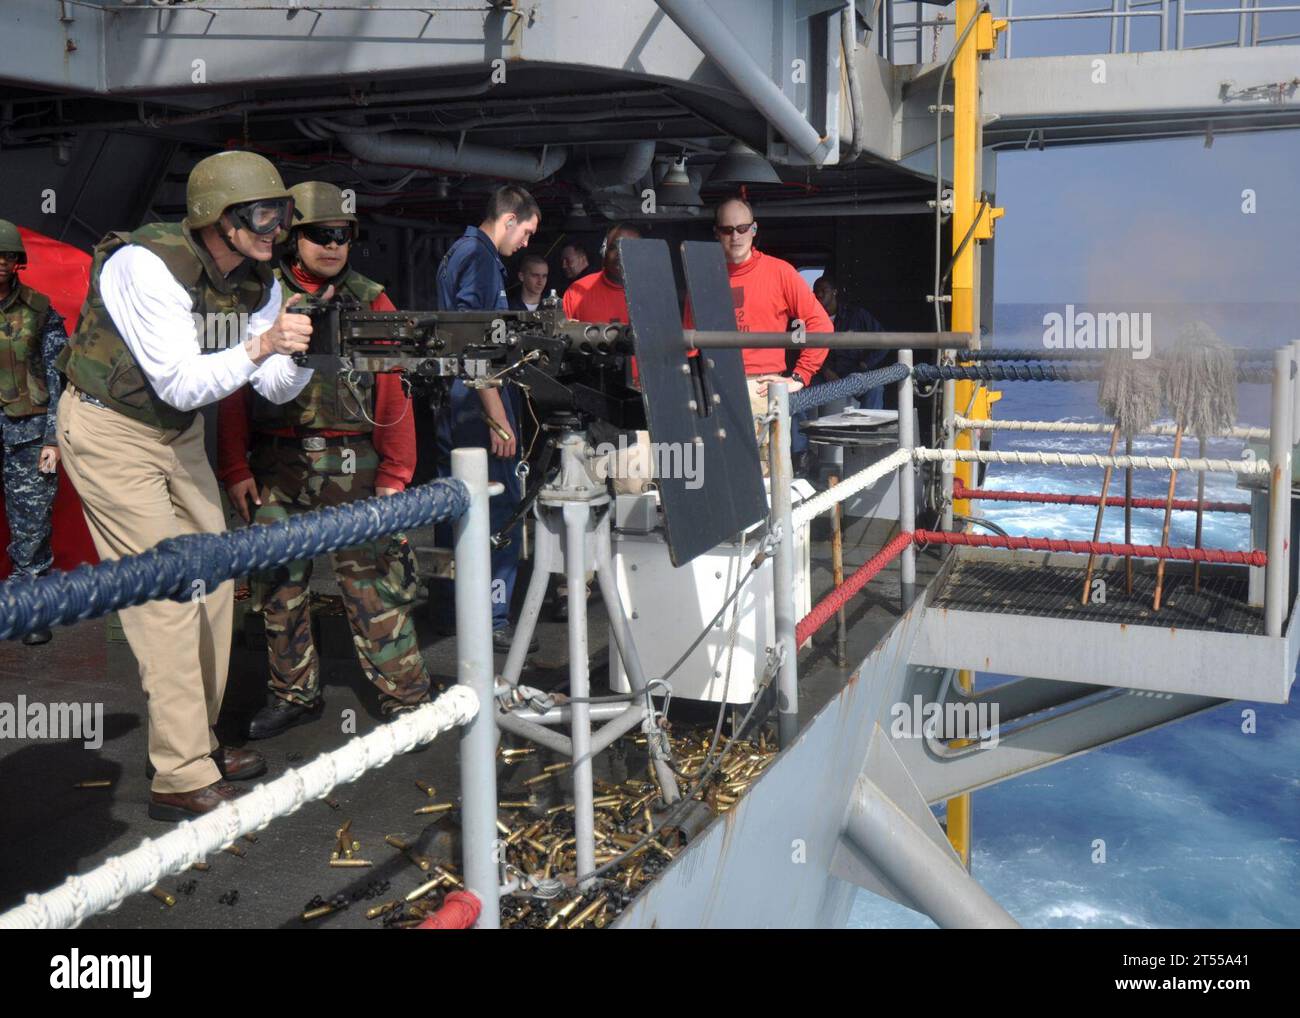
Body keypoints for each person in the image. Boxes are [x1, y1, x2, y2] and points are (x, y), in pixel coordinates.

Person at [56, 150, 316, 821]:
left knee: (217, 583)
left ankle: (195, 740)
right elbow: (181, 380)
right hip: (112, 431)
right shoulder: (149, 266)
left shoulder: (256, 282)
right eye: (262, 215)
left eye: (282, 215)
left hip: (176, 434)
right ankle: (179, 775)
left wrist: (308, 350)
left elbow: (273, 386)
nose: (275, 229)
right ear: (216, 219)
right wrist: (263, 346)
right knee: (168, 596)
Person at [216, 181, 432, 740]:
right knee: (279, 589)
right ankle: (293, 693)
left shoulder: (371, 299)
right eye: (320, 235)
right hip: (276, 467)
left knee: (374, 589)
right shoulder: (262, 296)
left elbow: (395, 388)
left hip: (355, 465)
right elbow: (236, 389)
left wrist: (396, 475)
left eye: (343, 236)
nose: (334, 246)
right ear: (293, 237)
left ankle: (406, 700)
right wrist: (235, 469)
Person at [435, 185, 540, 653]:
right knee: (498, 513)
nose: (526, 245)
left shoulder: (460, 253)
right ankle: (492, 618)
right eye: (528, 232)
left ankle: (459, 613)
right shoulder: (478, 257)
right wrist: (500, 419)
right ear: (510, 219)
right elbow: (471, 346)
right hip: (479, 410)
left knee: (459, 512)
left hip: (459, 408)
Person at [711, 196, 832, 465]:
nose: (736, 236)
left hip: (761, 388)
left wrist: (800, 376)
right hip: (711, 387)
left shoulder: (780, 272)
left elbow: (821, 324)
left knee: (763, 478)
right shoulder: (704, 274)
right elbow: (689, 335)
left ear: (754, 230)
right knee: (713, 474)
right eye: (728, 230)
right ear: (716, 233)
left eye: (743, 228)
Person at [0, 221, 67, 645]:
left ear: (17, 261)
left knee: (31, 527)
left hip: (26, 433)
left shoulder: (39, 310)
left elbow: (60, 378)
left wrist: (53, 439)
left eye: (5, 255)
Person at [813, 273, 887, 410]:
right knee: (799, 392)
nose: (819, 295)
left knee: (876, 388)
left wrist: (865, 364)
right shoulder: (811, 318)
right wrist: (825, 370)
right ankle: (797, 432)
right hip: (823, 376)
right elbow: (806, 350)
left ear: (835, 292)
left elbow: (883, 341)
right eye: (816, 291)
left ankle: (868, 430)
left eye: (823, 290)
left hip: (854, 373)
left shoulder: (857, 315)